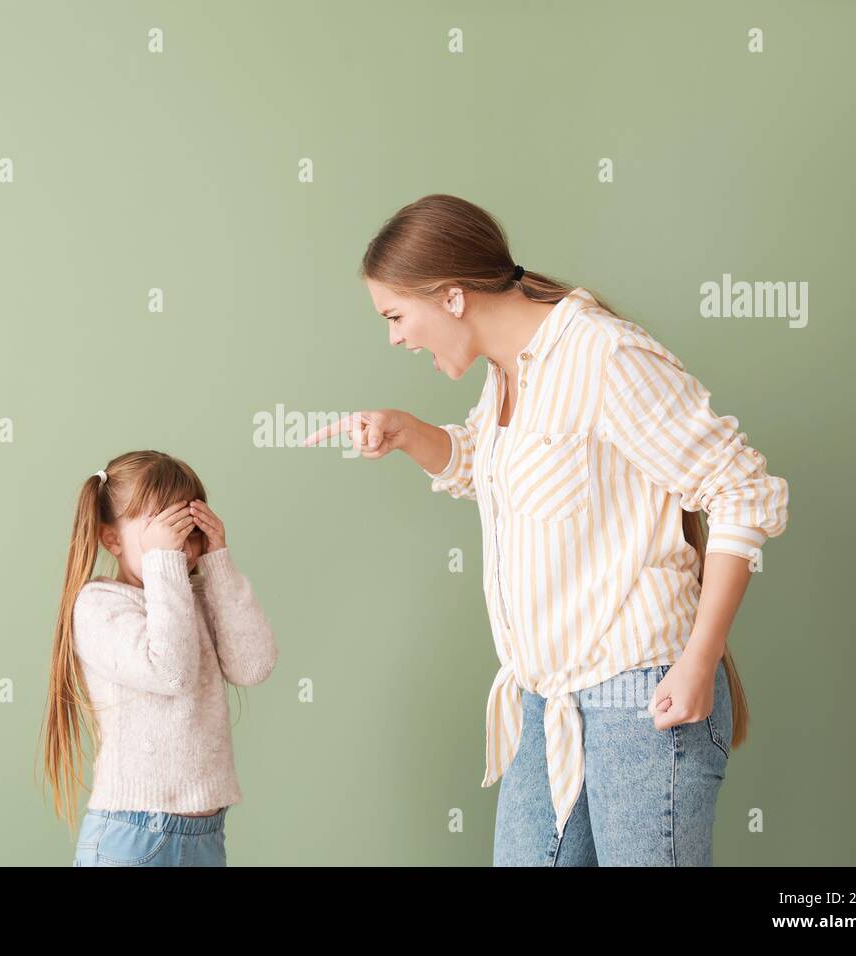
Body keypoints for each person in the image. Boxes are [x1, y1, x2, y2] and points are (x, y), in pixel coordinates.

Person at [304, 193, 790, 865]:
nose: (394, 336)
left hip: (639, 705)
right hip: (544, 702)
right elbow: (494, 469)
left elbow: (741, 489)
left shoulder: (603, 356)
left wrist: (700, 658)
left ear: (451, 297)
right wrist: (406, 432)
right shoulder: (509, 371)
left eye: (395, 315)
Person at [41, 450, 278, 866]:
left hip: (205, 835)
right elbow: (170, 671)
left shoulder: (197, 596)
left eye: (188, 532)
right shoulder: (99, 605)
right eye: (164, 534)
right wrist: (163, 562)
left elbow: (253, 666)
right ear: (111, 538)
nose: (181, 550)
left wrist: (217, 562)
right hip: (132, 835)